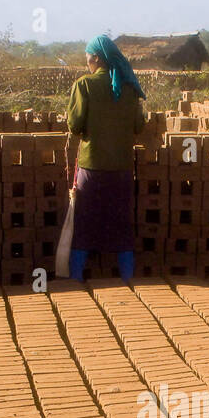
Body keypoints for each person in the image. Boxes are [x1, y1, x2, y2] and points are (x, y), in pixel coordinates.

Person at [65, 35, 146, 283]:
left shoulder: (84, 86)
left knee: (85, 226)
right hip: (121, 169)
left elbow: (75, 126)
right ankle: (128, 281)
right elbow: (138, 126)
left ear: (97, 58)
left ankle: (76, 281)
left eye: (88, 55)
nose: (86, 60)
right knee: (121, 226)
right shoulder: (130, 89)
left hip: (92, 169)